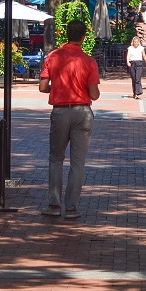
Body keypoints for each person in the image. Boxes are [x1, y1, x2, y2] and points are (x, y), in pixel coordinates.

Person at [38, 19, 100, 220]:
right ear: (83, 37)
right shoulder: (89, 61)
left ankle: (54, 204)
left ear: (67, 35)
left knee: (56, 158)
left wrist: (57, 87)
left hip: (60, 111)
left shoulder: (53, 56)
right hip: (82, 112)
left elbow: (42, 87)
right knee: (78, 162)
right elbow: (94, 94)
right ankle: (72, 207)